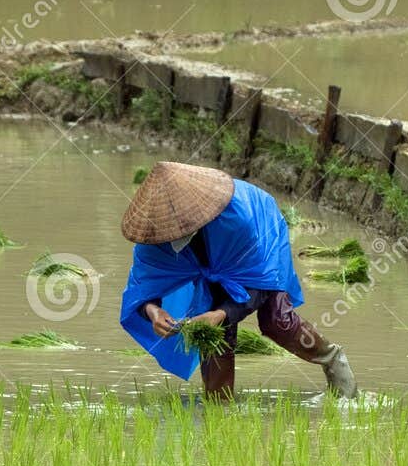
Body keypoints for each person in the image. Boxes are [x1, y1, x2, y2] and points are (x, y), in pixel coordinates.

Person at [119, 162, 357, 401]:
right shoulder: (152, 242)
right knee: (212, 335)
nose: (176, 231)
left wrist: (221, 313)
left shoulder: (236, 221)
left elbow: (258, 285)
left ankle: (333, 358)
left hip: (262, 231)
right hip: (213, 260)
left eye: (182, 226)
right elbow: (143, 287)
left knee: (277, 320)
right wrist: (154, 312)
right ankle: (219, 405)